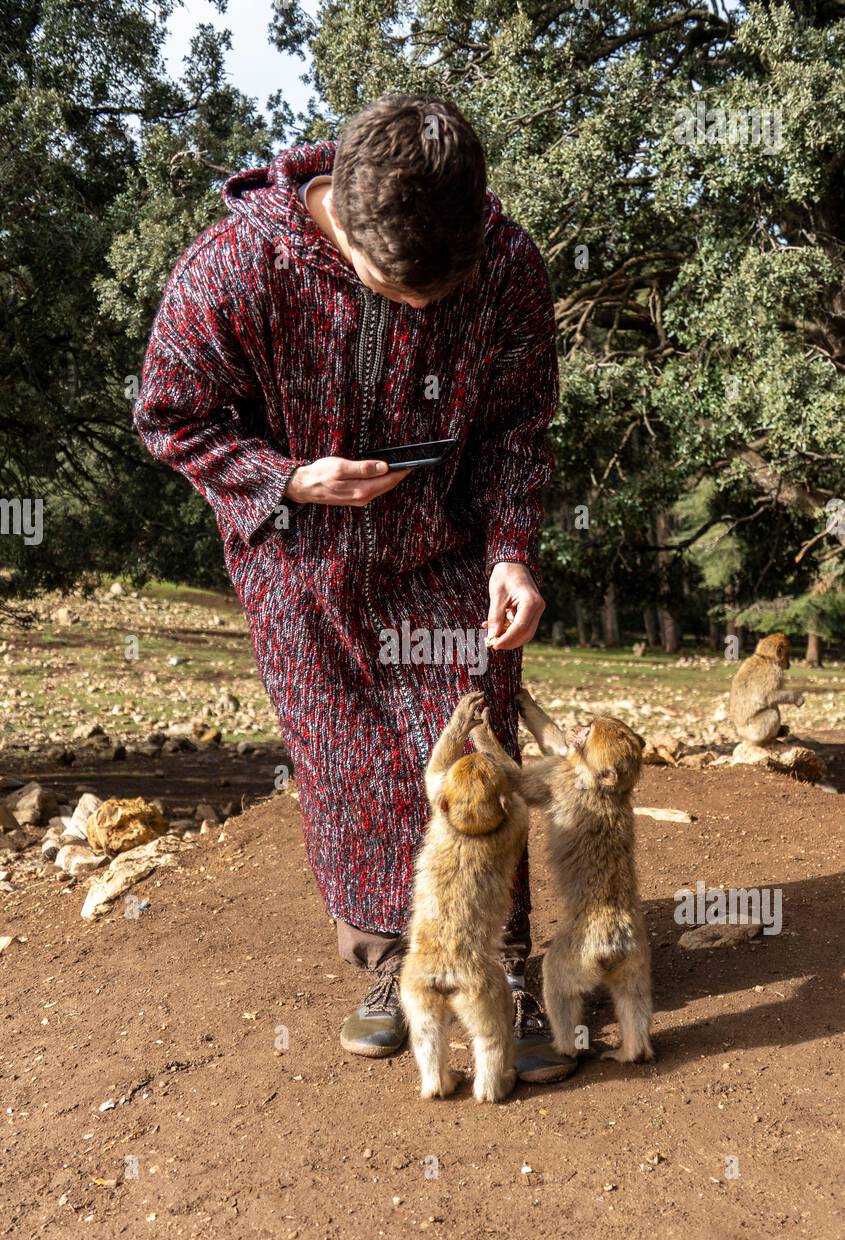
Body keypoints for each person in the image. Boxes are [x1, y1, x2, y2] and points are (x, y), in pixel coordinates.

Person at [134, 92, 574, 1084]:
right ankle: (391, 965)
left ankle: (499, 964)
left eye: (441, 286)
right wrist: (285, 477)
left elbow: (516, 429)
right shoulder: (237, 265)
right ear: (345, 222)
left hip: (447, 551)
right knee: (349, 772)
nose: (424, 307)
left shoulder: (504, 266)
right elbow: (171, 417)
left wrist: (510, 551)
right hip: (300, 566)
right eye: (397, 285)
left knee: (473, 751)